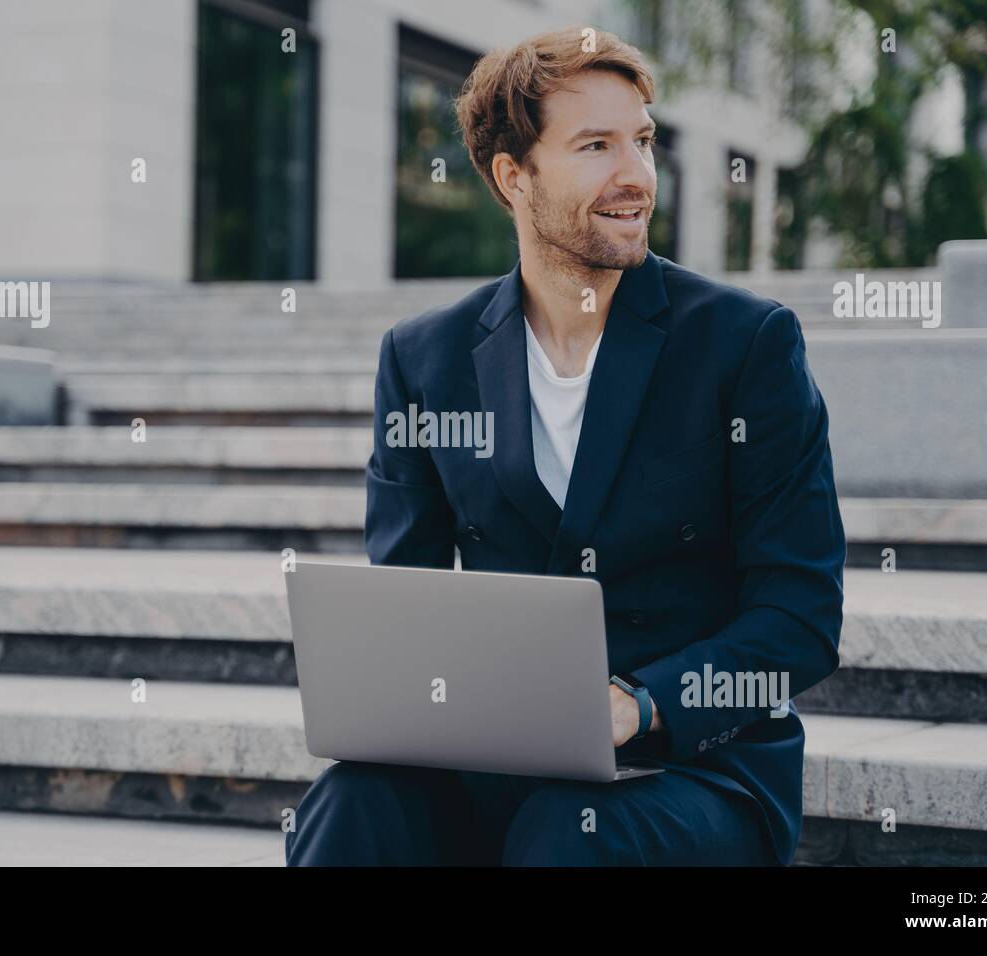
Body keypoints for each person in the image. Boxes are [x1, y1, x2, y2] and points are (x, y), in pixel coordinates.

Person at [287, 26, 845, 866]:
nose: (637, 176)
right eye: (596, 146)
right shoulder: (423, 360)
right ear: (514, 177)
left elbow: (801, 618)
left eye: (644, 142)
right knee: (349, 804)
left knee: (567, 835)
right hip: (498, 762)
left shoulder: (746, 344)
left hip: (697, 771)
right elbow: (407, 601)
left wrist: (638, 704)